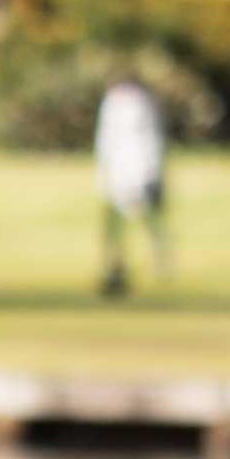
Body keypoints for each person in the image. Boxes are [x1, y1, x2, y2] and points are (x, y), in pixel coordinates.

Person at [94, 79, 169, 297]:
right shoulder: (113, 103)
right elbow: (106, 140)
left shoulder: (139, 104)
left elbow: (150, 139)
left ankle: (158, 258)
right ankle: (115, 263)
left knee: (146, 215)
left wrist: (151, 170)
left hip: (139, 170)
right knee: (115, 221)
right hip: (119, 171)